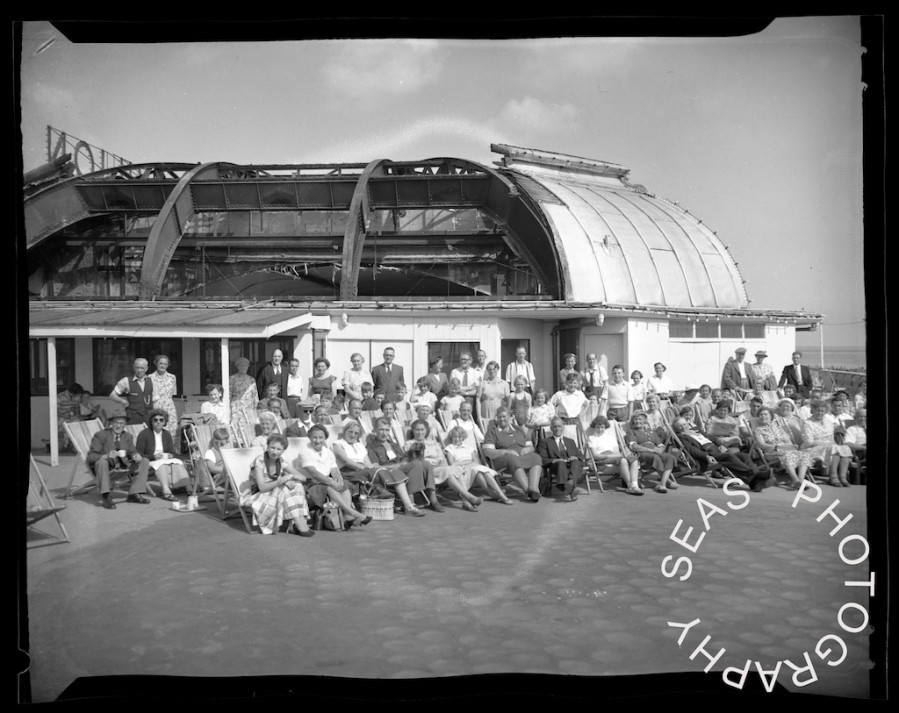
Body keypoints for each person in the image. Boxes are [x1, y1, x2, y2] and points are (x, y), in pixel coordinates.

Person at [299, 424, 372, 528]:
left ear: (325, 438)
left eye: (321, 437)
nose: (317, 440)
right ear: (309, 437)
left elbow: (335, 470)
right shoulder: (305, 452)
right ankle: (354, 513)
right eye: (314, 437)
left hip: (326, 481)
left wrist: (339, 481)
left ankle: (347, 517)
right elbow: (314, 473)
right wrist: (332, 482)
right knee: (329, 487)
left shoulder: (328, 452)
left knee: (344, 487)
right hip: (312, 483)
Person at [406, 420, 483, 511]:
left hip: (439, 468)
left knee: (455, 469)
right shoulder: (409, 444)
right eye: (417, 430)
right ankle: (467, 496)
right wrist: (430, 461)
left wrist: (441, 462)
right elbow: (412, 461)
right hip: (426, 470)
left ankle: (466, 502)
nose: (420, 432)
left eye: (422, 429)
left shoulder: (433, 443)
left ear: (426, 430)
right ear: (413, 431)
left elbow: (442, 457)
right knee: (449, 471)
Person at [246, 433, 313, 536]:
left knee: (298, 485)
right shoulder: (260, 461)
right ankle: (298, 523)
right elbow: (262, 487)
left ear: (283, 451)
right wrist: (281, 481)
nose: (274, 451)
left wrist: (290, 477)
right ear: (267, 447)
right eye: (272, 447)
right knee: (284, 488)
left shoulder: (280, 461)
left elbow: (302, 477)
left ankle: (299, 521)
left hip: (274, 492)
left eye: (278, 449)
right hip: (260, 494)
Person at [366, 418, 435, 516]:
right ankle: (410, 503)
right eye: (381, 429)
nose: (384, 433)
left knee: (422, 463)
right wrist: (398, 465)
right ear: (375, 430)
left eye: (386, 430)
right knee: (416, 465)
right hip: (388, 472)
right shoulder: (371, 446)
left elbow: (403, 458)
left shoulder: (393, 444)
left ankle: (427, 499)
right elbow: (376, 467)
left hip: (401, 467)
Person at [671, 417, 764, 488]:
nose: (684, 427)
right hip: (708, 454)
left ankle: (753, 482)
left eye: (684, 424)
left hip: (716, 449)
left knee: (744, 456)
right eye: (680, 426)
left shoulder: (696, 431)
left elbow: (711, 438)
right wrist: (706, 456)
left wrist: (721, 444)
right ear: (677, 428)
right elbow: (692, 450)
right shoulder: (681, 437)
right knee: (729, 457)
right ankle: (755, 475)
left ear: (688, 423)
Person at [85, 407, 149, 510]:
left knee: (144, 461)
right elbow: (91, 457)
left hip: (123, 467)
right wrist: (107, 455)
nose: (119, 426)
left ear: (125, 425)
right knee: (102, 461)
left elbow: (132, 451)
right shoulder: (101, 435)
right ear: (111, 423)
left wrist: (136, 456)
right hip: (105, 468)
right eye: (116, 423)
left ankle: (134, 494)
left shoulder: (128, 436)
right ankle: (106, 496)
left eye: (122, 423)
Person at [481, 406, 544, 502]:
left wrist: (527, 449)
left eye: (504, 417)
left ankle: (534, 488)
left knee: (536, 457)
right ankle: (527, 490)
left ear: (510, 417)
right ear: (497, 418)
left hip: (521, 455)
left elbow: (530, 446)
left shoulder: (518, 429)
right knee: (512, 459)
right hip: (502, 458)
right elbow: (487, 451)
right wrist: (506, 451)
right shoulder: (493, 431)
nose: (502, 419)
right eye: (499, 417)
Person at [444, 426, 512, 504]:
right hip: (462, 473)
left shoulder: (469, 448)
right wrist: (468, 462)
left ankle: (500, 494)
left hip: (473, 469)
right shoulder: (450, 448)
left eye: (459, 436)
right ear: (451, 438)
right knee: (479, 469)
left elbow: (476, 461)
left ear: (463, 437)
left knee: (480, 472)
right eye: (454, 437)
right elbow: (452, 464)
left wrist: (465, 463)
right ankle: (494, 493)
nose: (457, 439)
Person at [136, 408, 190, 502]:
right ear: (151, 421)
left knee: (178, 462)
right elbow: (139, 454)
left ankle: (188, 487)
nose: (158, 422)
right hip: (150, 460)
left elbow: (171, 451)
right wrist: (153, 457)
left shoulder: (166, 434)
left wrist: (170, 455)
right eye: (155, 420)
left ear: (164, 422)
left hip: (164, 459)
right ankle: (166, 490)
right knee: (162, 464)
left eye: (161, 420)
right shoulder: (144, 434)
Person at [584, 415, 642, 495]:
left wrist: (615, 456)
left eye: (602, 427)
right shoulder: (591, 438)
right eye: (598, 427)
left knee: (633, 460)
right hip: (601, 459)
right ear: (594, 427)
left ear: (605, 427)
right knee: (625, 459)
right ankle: (629, 486)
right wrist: (610, 456)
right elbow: (595, 456)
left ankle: (634, 486)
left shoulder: (610, 437)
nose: (600, 429)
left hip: (615, 457)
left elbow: (616, 452)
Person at [801, 399, 853, 487]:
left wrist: (832, 445)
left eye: (822, 411)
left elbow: (831, 439)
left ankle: (842, 477)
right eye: (818, 410)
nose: (820, 413)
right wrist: (827, 444)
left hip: (829, 448)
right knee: (834, 448)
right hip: (811, 449)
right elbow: (809, 442)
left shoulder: (828, 422)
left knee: (845, 448)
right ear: (812, 410)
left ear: (825, 411)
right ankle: (833, 477)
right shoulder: (807, 423)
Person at [751, 407, 806, 489]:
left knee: (804, 455)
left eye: (765, 414)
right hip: (771, 452)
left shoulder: (778, 428)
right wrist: (776, 447)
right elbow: (762, 445)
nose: (763, 416)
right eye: (760, 415)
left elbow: (787, 440)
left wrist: (788, 446)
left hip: (785, 449)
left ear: (771, 416)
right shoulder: (758, 430)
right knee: (788, 455)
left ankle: (800, 481)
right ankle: (795, 480)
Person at [625, 411, 677, 493]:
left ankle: (662, 484)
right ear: (632, 422)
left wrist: (660, 450)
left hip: (655, 451)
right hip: (642, 454)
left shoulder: (651, 431)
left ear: (645, 421)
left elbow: (660, 445)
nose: (638, 421)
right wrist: (650, 450)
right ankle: (668, 482)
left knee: (670, 457)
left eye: (640, 419)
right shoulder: (631, 432)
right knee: (655, 457)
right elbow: (633, 446)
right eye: (635, 419)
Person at [537, 416, 585, 501]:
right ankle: (571, 487)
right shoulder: (545, 442)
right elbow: (542, 458)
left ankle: (569, 485)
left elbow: (580, 456)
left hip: (571, 465)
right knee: (561, 463)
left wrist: (575, 457)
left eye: (559, 426)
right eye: (555, 426)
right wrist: (554, 460)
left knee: (576, 462)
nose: (557, 429)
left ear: (563, 427)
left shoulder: (570, 441)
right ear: (551, 428)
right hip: (556, 466)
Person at [331, 420, 380, 494]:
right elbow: (346, 461)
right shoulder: (338, 444)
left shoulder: (359, 445)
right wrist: (364, 468)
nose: (353, 435)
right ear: (345, 431)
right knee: (376, 473)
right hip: (348, 471)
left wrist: (372, 466)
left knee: (380, 470)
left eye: (356, 433)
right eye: (350, 431)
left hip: (363, 470)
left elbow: (368, 463)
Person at [110, 357, 154, 426]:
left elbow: (156, 399)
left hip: (149, 416)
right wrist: (123, 401)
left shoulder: (152, 381)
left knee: (148, 436)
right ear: (134, 368)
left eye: (142, 368)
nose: (139, 370)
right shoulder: (126, 381)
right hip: (133, 416)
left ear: (146, 369)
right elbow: (112, 395)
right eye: (137, 368)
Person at [56, 383, 98, 450]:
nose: (78, 396)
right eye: (77, 394)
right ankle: (69, 443)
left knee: (80, 424)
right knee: (70, 426)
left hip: (74, 418)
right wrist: (64, 415)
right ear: (72, 393)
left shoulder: (78, 396)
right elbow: (54, 411)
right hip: (61, 418)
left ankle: (77, 446)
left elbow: (83, 405)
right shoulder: (59, 397)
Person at [147, 354, 179, 437]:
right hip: (156, 406)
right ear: (156, 363)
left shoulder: (172, 377)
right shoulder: (149, 377)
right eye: (161, 363)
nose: (163, 366)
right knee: (156, 430)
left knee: (171, 430)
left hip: (169, 407)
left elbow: (172, 393)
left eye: (165, 364)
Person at [476, 361, 510, 426]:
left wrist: (507, 413)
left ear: (497, 369)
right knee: (487, 430)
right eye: (490, 369)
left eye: (494, 369)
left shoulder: (504, 383)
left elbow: (508, 399)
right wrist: (479, 416)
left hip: (499, 410)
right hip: (486, 410)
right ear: (487, 370)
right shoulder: (483, 383)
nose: (492, 371)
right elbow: (478, 400)